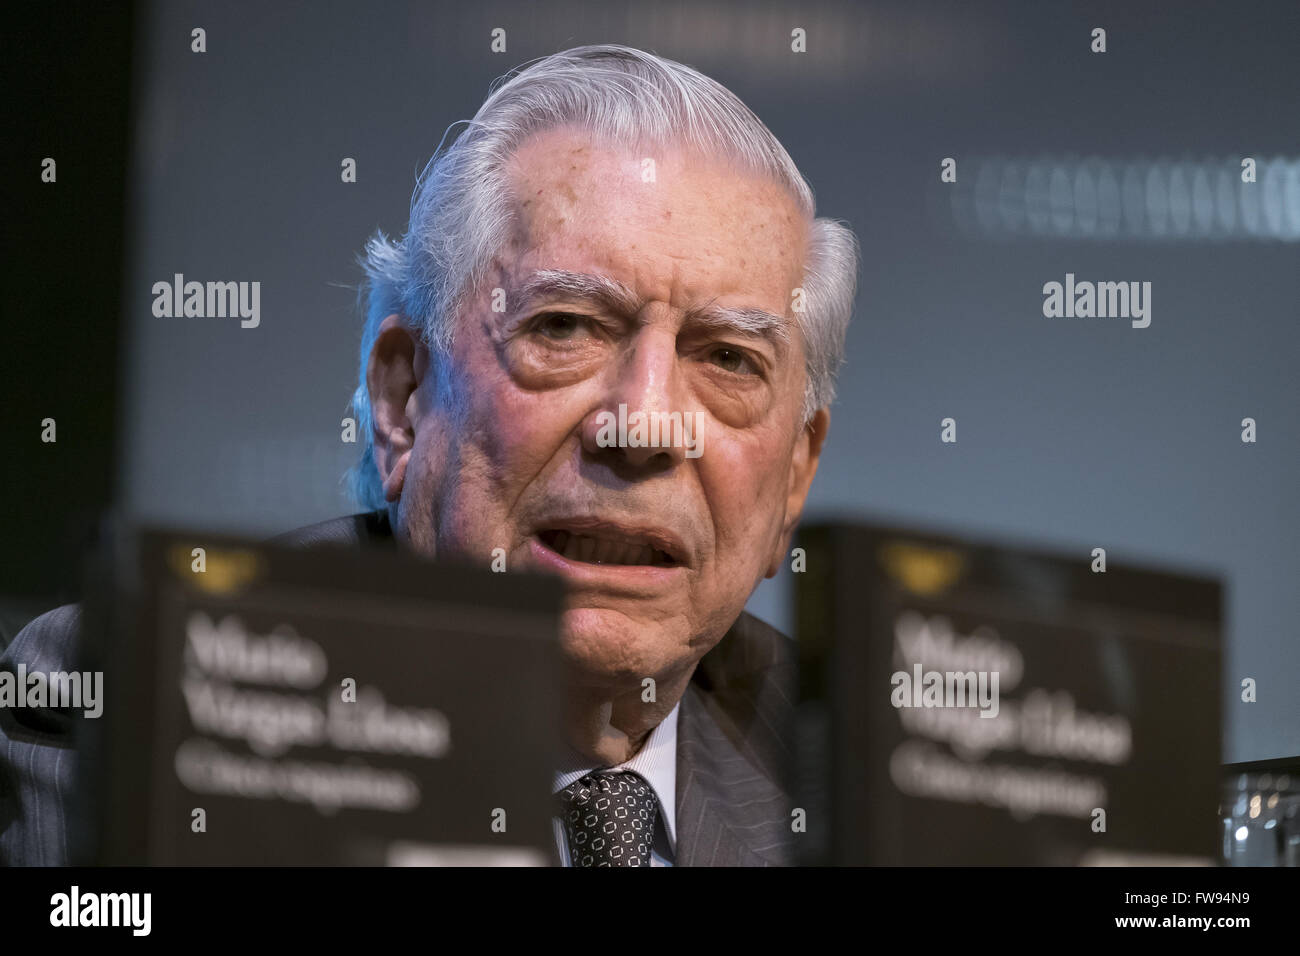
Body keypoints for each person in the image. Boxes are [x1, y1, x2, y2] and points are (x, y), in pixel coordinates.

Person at [0, 44, 858, 867]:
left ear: (793, 479)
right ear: (404, 399)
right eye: (564, 327)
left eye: (728, 360)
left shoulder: (860, 777)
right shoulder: (144, 704)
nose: (644, 427)